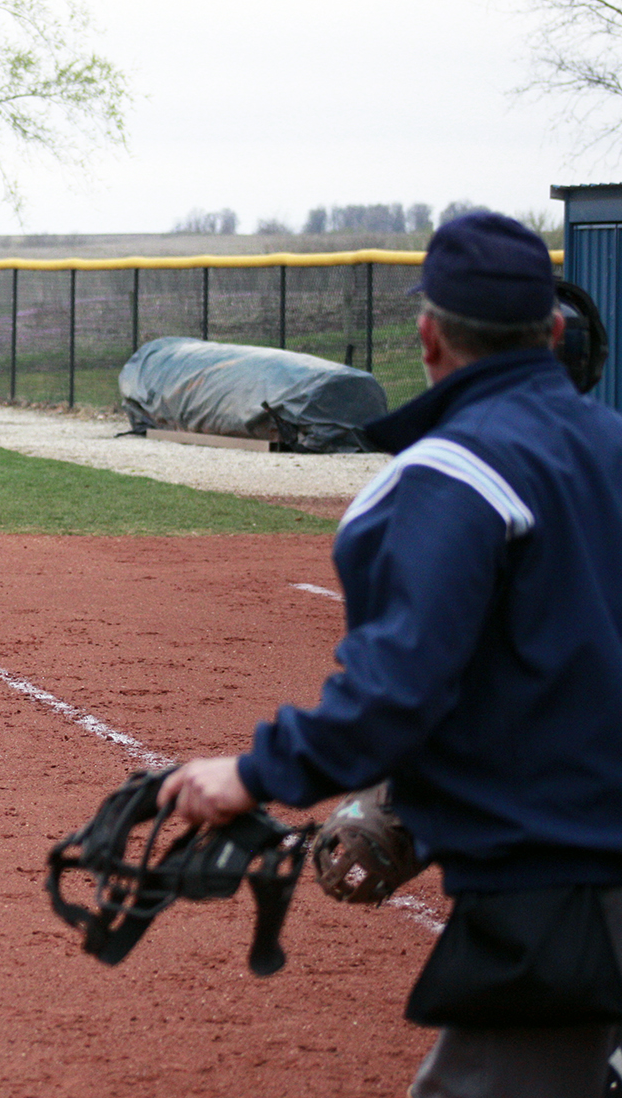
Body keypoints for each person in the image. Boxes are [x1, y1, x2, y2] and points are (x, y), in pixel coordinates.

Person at [160, 211, 622, 1098]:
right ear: (554, 332)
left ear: (428, 336)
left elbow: (398, 689)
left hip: (570, 876)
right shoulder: (606, 446)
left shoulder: (453, 473)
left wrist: (253, 776)